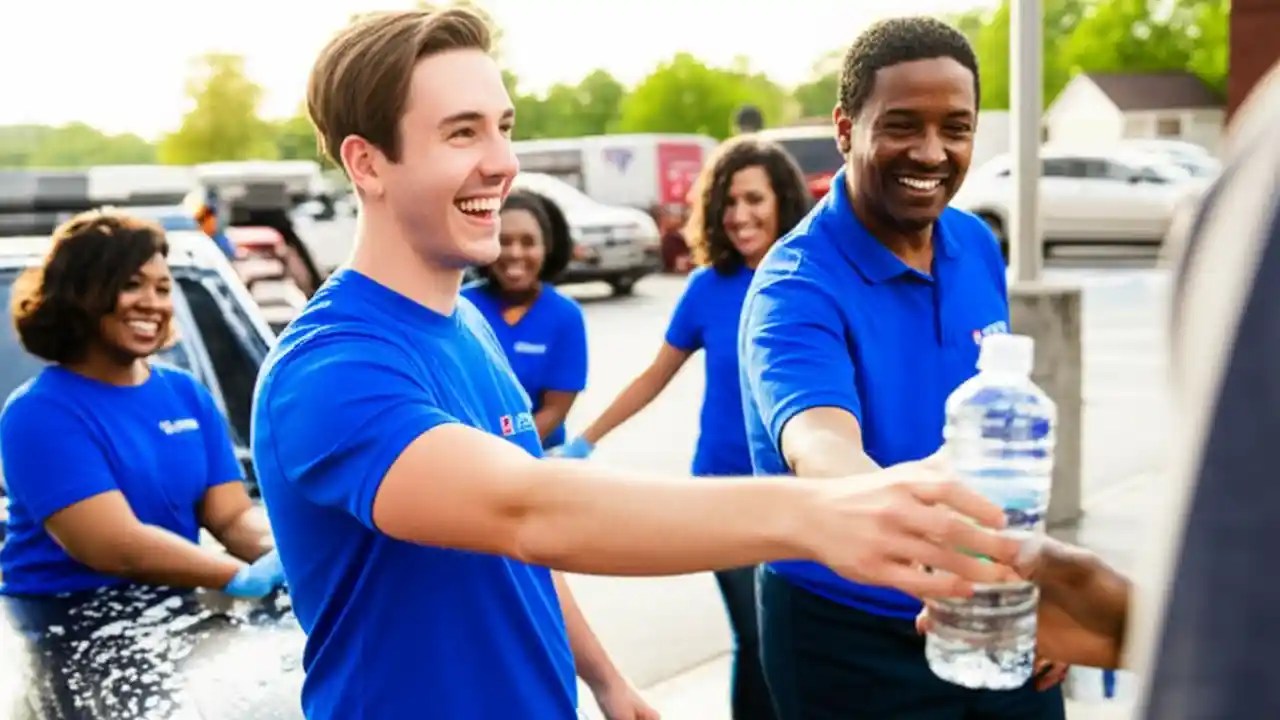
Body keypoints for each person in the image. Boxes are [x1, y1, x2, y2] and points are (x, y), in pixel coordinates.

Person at [250, 8, 1029, 720]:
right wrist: (818, 516)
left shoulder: (467, 327)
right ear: (367, 163)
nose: (503, 163)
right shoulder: (330, 370)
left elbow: (520, 548)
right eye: (462, 134)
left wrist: (606, 681)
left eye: (503, 128)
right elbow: (529, 510)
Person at [920, 59, 1280, 719]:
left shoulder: (1268, 170)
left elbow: (1233, 660)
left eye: (957, 127)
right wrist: (1124, 624)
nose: (931, 151)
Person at [737, 17, 1066, 719]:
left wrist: (1032, 576)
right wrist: (948, 560)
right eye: (902, 125)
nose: (932, 151)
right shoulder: (795, 286)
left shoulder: (974, 242)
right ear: (845, 128)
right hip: (849, 633)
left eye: (956, 128)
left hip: (986, 604)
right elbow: (823, 450)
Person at [556, 135, 811, 720]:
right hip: (723, 493)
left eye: (754, 199)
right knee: (756, 638)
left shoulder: (811, 279)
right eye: (729, 202)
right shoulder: (707, 287)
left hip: (804, 492)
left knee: (798, 642)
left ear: (784, 201)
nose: (740, 215)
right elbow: (654, 376)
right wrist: (585, 441)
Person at [0, 210, 284, 602]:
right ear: (79, 294)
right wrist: (237, 575)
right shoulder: (38, 413)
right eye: (131, 285)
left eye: (163, 289)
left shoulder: (184, 393)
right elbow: (113, 544)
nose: (152, 304)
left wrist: (287, 557)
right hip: (61, 620)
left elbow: (231, 516)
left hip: (172, 613)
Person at [461, 189, 586, 449]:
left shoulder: (565, 315)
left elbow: (555, 409)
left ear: (546, 248)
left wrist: (504, 456)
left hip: (537, 454)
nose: (515, 253)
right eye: (504, 241)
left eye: (528, 242)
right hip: (464, 454)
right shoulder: (459, 306)